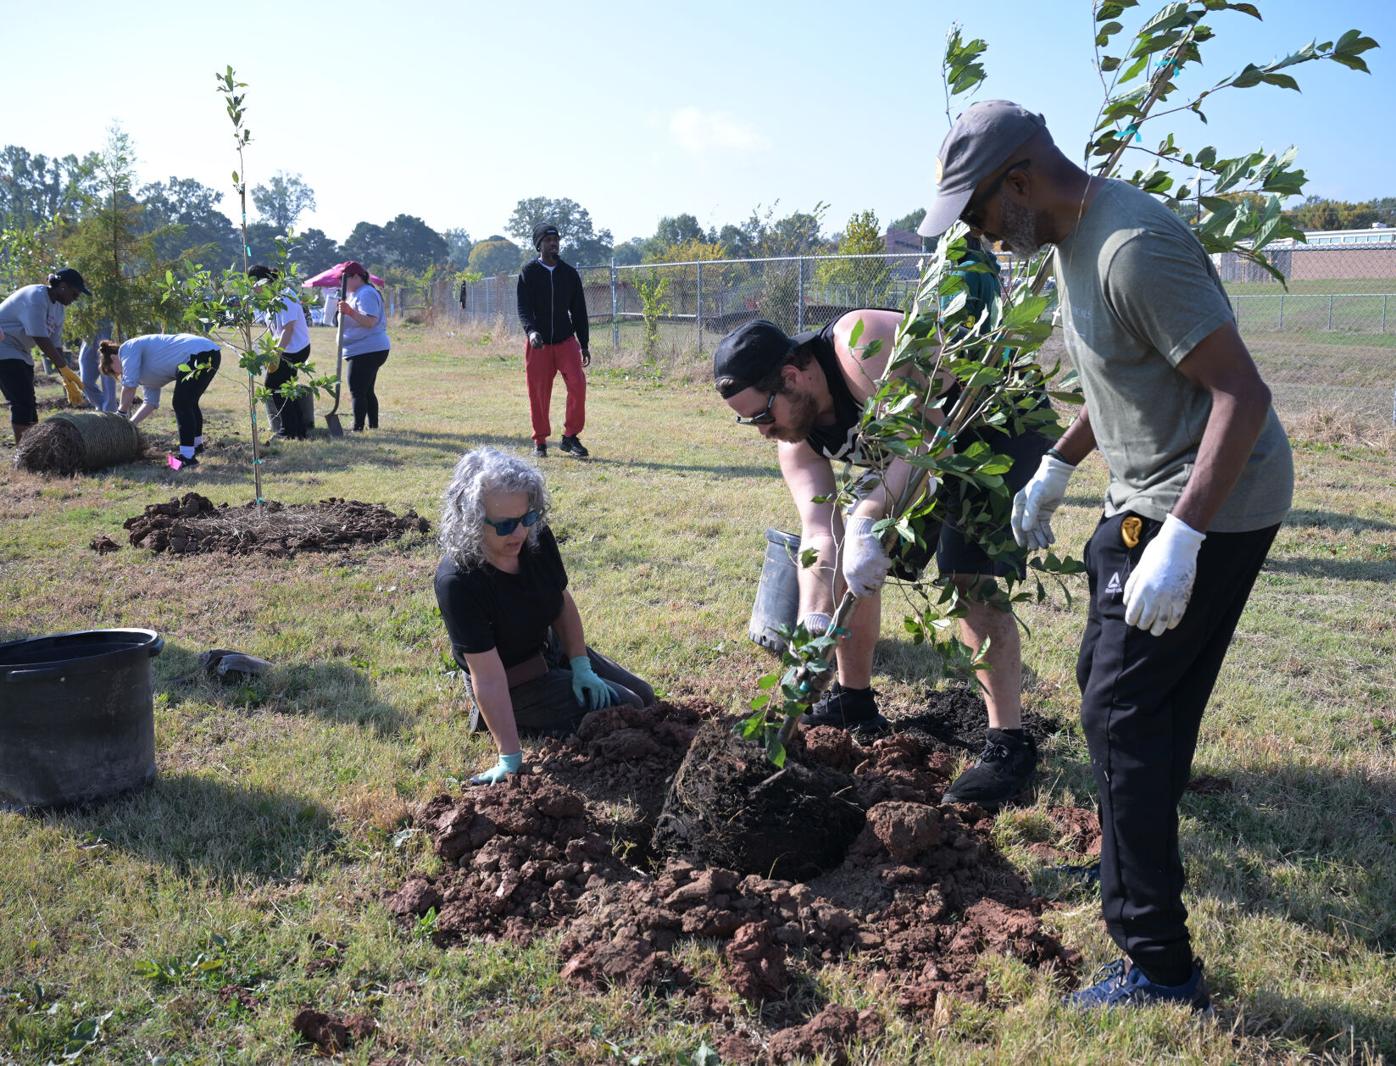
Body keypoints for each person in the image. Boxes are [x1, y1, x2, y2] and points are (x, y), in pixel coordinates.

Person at [917, 100, 1293, 1012]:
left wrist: (1186, 541)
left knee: (1122, 713)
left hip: (1211, 502)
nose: (976, 233)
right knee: (1118, 692)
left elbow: (1240, 394)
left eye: (975, 211)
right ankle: (1141, 829)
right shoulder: (1068, 244)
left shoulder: (1131, 247)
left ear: (1018, 182)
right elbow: (1128, 372)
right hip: (1145, 498)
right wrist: (1058, 463)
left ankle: (1159, 966)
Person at [713, 291, 1050, 808]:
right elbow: (818, 531)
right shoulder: (793, 435)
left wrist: (869, 518)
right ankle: (854, 702)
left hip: (993, 421)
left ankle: (1009, 745)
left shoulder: (860, 344)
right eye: (750, 422)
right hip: (923, 448)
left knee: (965, 571)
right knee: (849, 548)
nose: (763, 431)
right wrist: (813, 623)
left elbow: (923, 444)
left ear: (793, 374)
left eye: (762, 414)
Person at [434, 447, 653, 784]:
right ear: (472, 521)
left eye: (527, 517)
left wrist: (580, 664)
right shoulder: (458, 581)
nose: (520, 533)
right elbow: (489, 677)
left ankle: (561, 680)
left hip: (546, 647)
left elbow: (560, 601)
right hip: (512, 677)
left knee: (645, 696)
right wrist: (509, 756)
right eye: (505, 525)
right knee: (629, 707)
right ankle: (507, 716)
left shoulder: (534, 537)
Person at [516, 223, 591, 459]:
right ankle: (540, 441)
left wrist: (585, 343)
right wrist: (531, 331)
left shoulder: (569, 274)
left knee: (578, 385)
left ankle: (570, 436)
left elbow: (579, 310)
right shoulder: (529, 272)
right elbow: (523, 308)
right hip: (538, 345)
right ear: (539, 244)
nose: (554, 243)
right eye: (548, 240)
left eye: (556, 239)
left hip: (565, 341)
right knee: (538, 393)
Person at [99, 333, 222, 467]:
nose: (117, 375)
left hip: (198, 353)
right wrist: (130, 425)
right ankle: (196, 446)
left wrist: (120, 414)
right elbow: (150, 403)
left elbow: (129, 385)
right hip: (210, 352)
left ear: (113, 358)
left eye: (112, 371)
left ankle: (187, 457)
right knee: (189, 402)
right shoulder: (144, 373)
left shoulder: (128, 349)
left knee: (181, 403)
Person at [0, 269, 90, 443]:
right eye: (75, 293)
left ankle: (31, 449)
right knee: (21, 401)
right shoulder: (36, 297)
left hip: (20, 351)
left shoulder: (59, 308)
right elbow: (40, 337)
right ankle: (24, 454)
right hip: (4, 346)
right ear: (63, 287)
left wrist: (66, 374)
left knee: (29, 403)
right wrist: (63, 368)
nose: (76, 298)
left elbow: (55, 343)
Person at [249, 265, 311, 440]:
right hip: (284, 347)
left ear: (264, 281)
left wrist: (277, 354)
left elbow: (288, 329)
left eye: (254, 284)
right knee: (284, 388)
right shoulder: (271, 298)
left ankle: (288, 430)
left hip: (294, 349)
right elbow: (273, 328)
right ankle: (298, 429)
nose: (253, 289)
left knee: (274, 387)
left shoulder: (285, 296)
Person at [337, 261, 390, 432]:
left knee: (357, 390)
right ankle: (373, 426)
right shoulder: (356, 293)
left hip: (367, 349)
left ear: (357, 277)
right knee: (366, 390)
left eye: (345, 278)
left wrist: (349, 311)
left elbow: (370, 321)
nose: (342, 282)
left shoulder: (366, 293)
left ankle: (358, 428)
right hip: (365, 349)